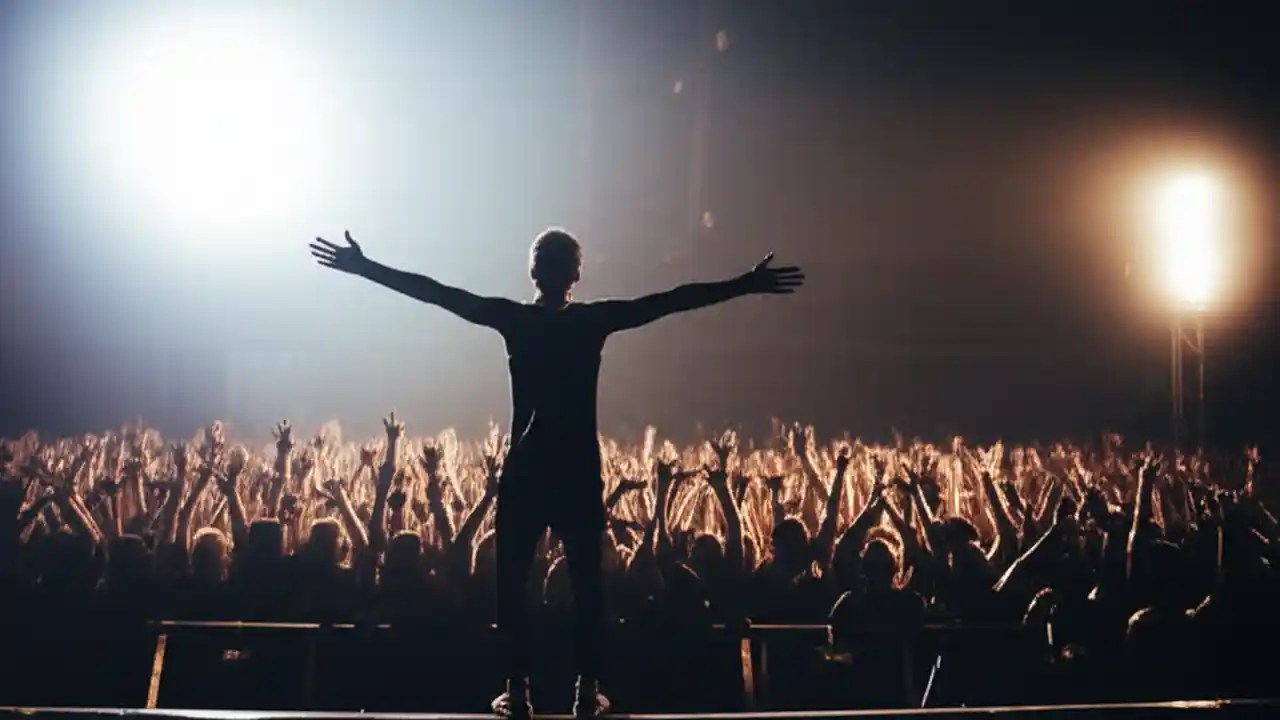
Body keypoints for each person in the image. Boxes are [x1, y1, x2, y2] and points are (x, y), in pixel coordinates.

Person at [309, 228, 804, 718]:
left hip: (525, 468)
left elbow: (439, 294)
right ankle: (587, 691)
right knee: (588, 586)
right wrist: (744, 283)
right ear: (577, 275)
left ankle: (517, 691)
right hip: (577, 470)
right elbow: (671, 300)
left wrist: (365, 267)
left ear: (533, 271)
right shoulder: (593, 322)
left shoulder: (514, 320)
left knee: (513, 587)